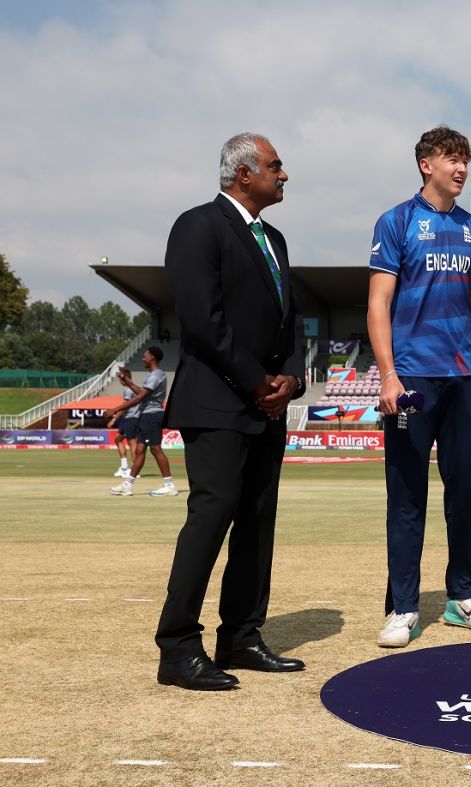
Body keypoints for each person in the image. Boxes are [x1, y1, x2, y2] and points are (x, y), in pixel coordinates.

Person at [154, 132, 307, 691]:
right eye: (275, 165)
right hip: (217, 401)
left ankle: (241, 635)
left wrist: (290, 380)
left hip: (267, 407)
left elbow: (290, 321)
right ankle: (176, 647)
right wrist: (256, 380)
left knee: (257, 523)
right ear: (244, 174)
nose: (284, 174)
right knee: (211, 517)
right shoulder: (198, 225)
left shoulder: (276, 240)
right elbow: (201, 318)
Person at [367, 125, 471, 649]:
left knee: (467, 491)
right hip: (413, 379)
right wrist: (388, 373)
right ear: (426, 164)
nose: (462, 167)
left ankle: (462, 597)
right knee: (407, 496)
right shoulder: (397, 220)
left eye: (466, 159)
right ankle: (403, 607)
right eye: (452, 158)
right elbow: (378, 302)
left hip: (465, 377)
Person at [106, 348, 176, 497]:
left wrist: (115, 410)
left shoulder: (157, 375)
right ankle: (128, 485)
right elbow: (141, 393)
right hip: (146, 416)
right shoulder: (153, 375)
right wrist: (127, 381)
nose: (143, 358)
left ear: (152, 357)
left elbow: (139, 398)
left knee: (155, 449)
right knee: (140, 450)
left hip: (152, 416)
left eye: (145, 356)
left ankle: (169, 485)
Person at [108, 373, 139, 478]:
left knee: (132, 443)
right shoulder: (134, 389)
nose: (120, 382)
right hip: (131, 418)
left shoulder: (128, 390)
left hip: (131, 418)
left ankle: (134, 471)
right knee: (118, 439)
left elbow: (125, 407)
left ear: (124, 378)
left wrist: (114, 419)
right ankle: (124, 467)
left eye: (120, 379)